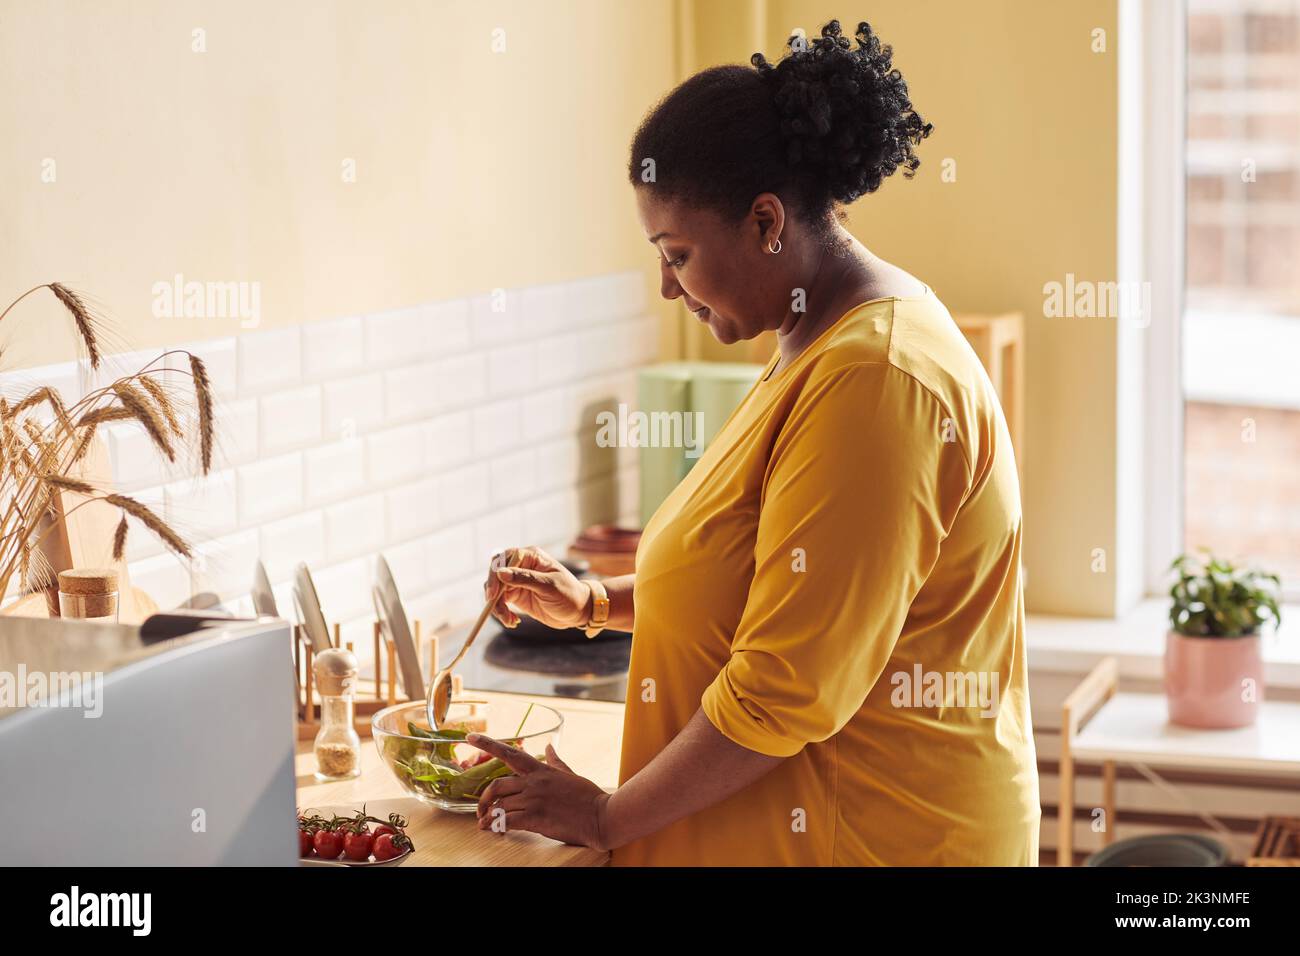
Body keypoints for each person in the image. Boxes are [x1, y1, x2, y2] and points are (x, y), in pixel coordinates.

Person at [467, 19, 1040, 866]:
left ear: (767, 221)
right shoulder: (812, 343)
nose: (668, 286)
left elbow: (786, 689)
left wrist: (603, 818)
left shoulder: (874, 380)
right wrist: (594, 603)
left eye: (679, 253)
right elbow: (768, 573)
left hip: (880, 840)